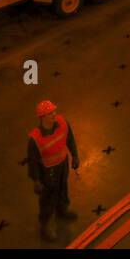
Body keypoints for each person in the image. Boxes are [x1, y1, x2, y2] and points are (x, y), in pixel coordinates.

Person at [27, 99, 78, 242]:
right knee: (47, 199)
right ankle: (44, 227)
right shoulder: (35, 139)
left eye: (54, 111)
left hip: (62, 166)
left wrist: (75, 156)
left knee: (63, 189)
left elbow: (70, 140)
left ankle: (62, 211)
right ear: (42, 117)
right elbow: (33, 161)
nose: (54, 115)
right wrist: (36, 180)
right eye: (50, 113)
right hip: (47, 172)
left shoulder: (62, 123)